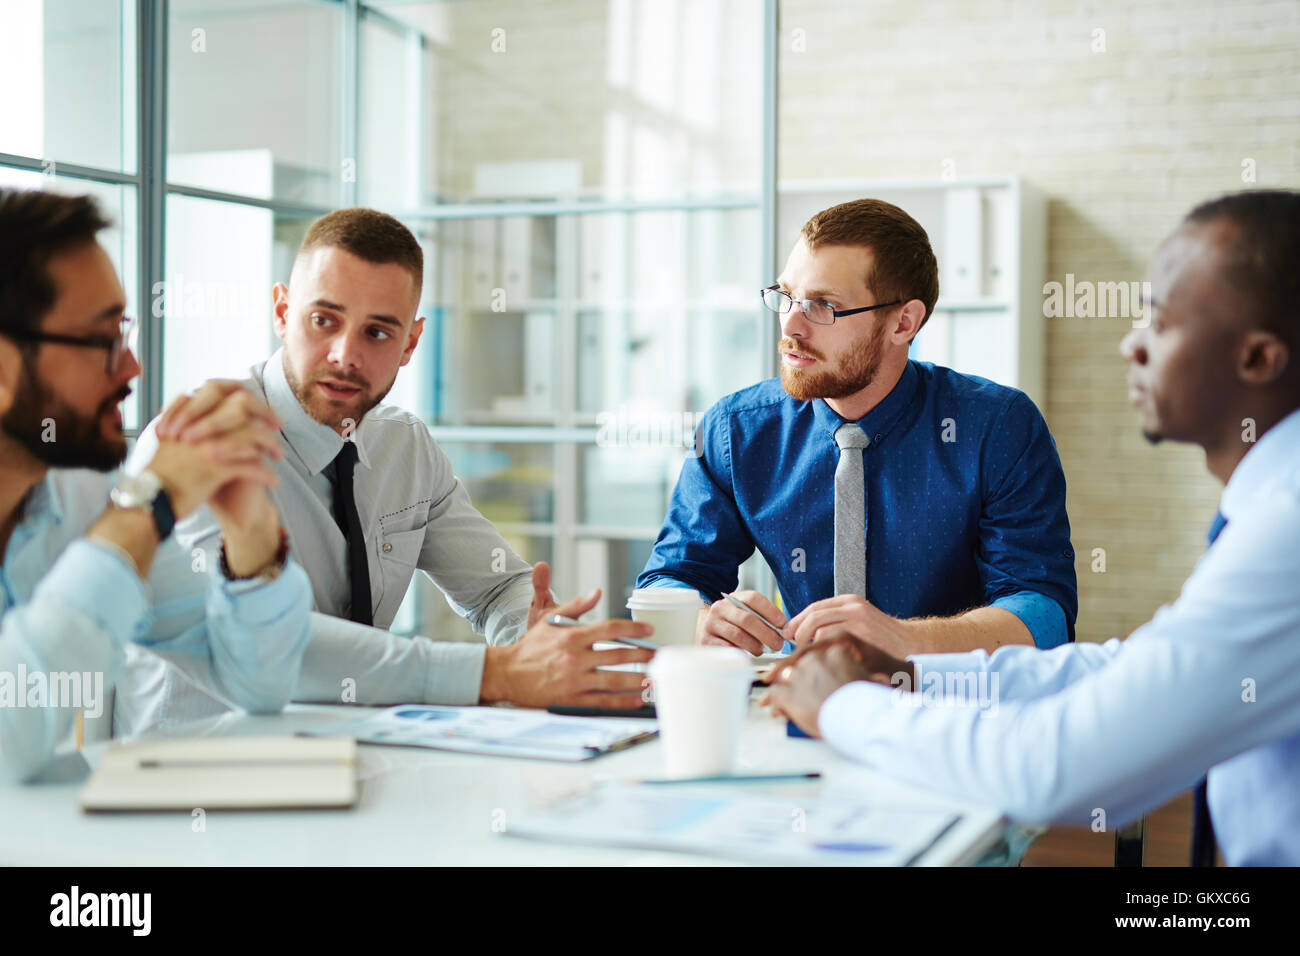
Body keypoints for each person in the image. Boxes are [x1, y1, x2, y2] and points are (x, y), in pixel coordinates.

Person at [762, 190, 1300, 866]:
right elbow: (1123, 669)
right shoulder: (1273, 507)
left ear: (1258, 359)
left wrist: (842, 705)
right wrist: (911, 677)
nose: (1130, 343)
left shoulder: (1288, 533)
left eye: (1160, 322)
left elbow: (1052, 767)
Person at [119, 207, 652, 731]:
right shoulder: (201, 444)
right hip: (202, 776)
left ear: (410, 343)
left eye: (377, 332)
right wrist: (497, 674)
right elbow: (267, 649)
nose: (344, 355)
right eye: (323, 320)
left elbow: (495, 588)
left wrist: (529, 635)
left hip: (355, 758)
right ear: (282, 312)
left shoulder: (404, 446)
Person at [638, 198, 1077, 656]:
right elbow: (668, 580)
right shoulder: (737, 430)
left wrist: (903, 639)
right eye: (785, 296)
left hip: (953, 703)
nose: (790, 324)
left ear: (903, 323)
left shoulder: (998, 426)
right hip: (797, 699)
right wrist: (700, 622)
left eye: (823, 306)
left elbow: (1044, 613)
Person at [0, 188, 312, 780]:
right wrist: (145, 506)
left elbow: (260, 682)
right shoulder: (121, 506)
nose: (132, 368)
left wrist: (247, 526)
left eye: (127, 332)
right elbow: (7, 740)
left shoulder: (81, 495)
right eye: (102, 342)